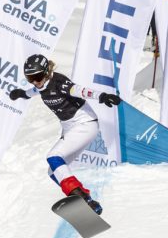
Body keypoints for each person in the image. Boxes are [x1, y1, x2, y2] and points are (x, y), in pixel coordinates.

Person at [7, 53, 121, 215]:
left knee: (53, 157)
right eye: (29, 78)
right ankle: (87, 201)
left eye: (37, 77)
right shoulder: (41, 86)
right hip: (70, 128)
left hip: (85, 124)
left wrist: (102, 96)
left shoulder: (59, 82)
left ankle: (78, 195)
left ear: (46, 73)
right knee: (53, 171)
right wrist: (21, 94)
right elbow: (34, 91)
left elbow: (80, 90)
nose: (35, 82)